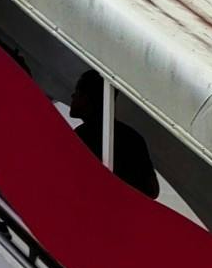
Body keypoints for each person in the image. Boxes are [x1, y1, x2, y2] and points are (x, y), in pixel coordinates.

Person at [68, 69, 160, 200]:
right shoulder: (132, 138)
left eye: (78, 91)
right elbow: (152, 190)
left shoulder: (81, 138)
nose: (72, 96)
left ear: (88, 98)